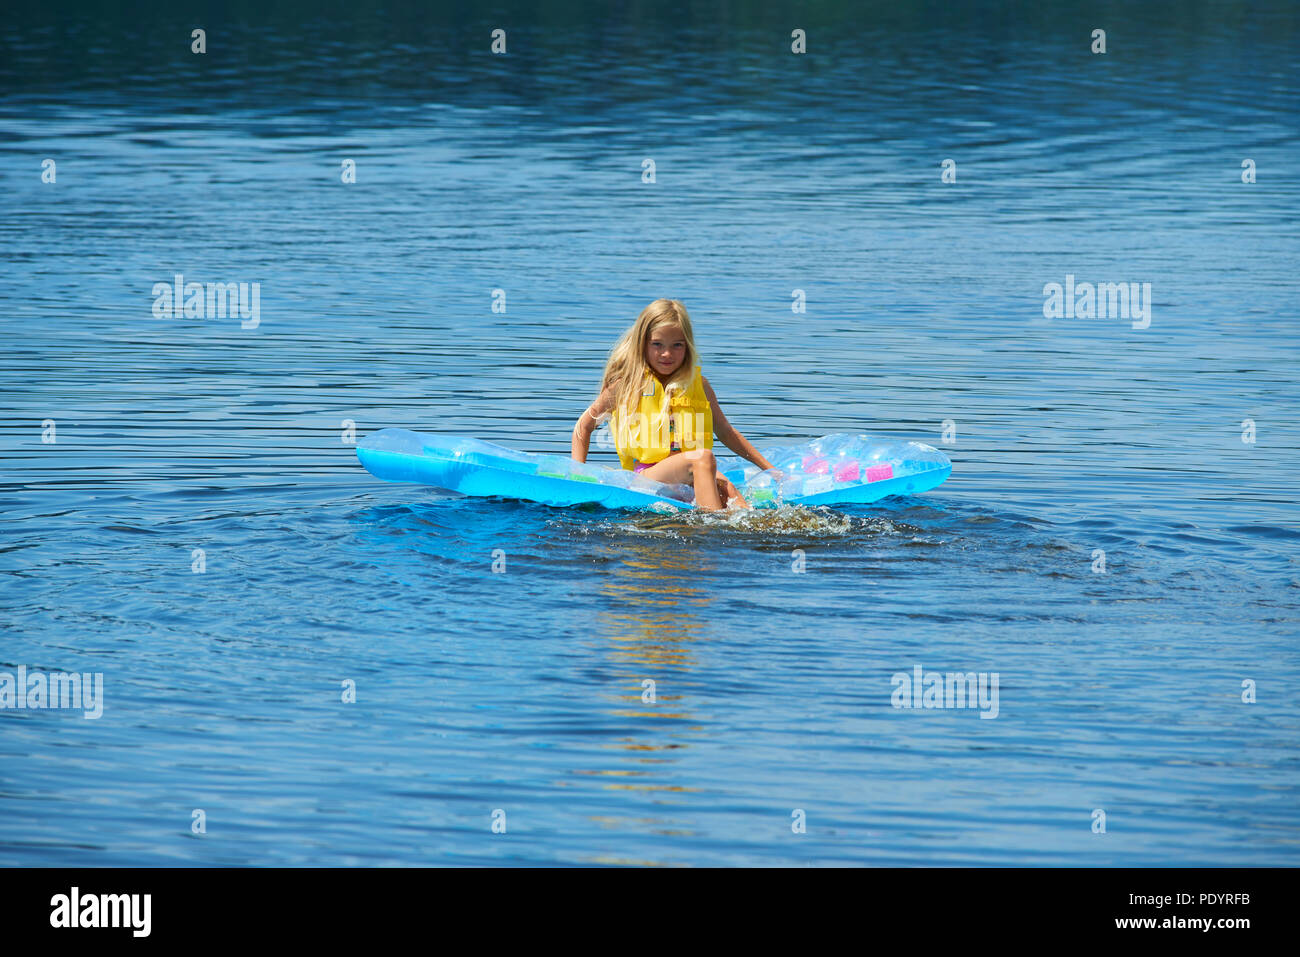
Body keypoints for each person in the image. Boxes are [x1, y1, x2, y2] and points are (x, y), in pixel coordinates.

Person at [571, 299, 778, 510]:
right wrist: (578, 475)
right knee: (703, 458)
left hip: (692, 471)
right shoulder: (626, 386)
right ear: (642, 343)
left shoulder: (700, 386)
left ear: (687, 346)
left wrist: (771, 470)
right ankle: (712, 532)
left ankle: (742, 535)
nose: (667, 354)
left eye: (677, 345)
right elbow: (583, 426)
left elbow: (726, 432)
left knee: (731, 493)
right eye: (657, 344)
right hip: (648, 476)